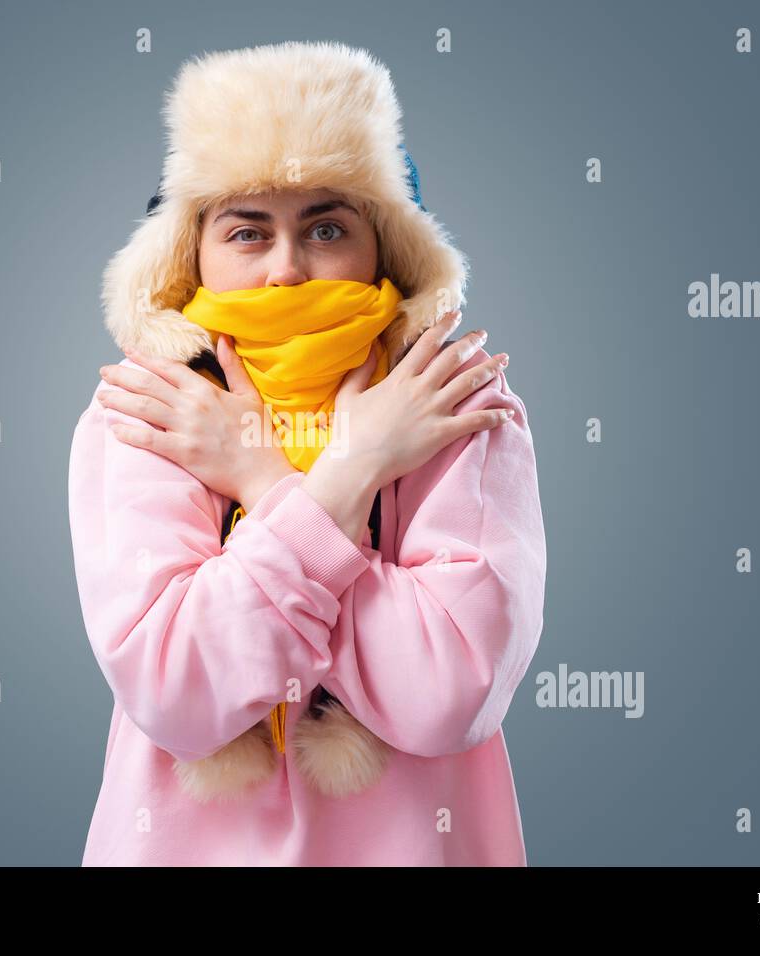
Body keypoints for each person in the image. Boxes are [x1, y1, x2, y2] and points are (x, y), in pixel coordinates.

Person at [68, 40, 547, 866]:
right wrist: (348, 476)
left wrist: (268, 480)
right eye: (247, 231)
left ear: (387, 248)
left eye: (327, 227)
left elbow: (450, 692)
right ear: (191, 253)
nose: (286, 271)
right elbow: (178, 691)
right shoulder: (148, 412)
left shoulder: (460, 403)